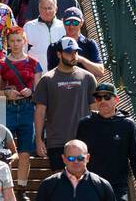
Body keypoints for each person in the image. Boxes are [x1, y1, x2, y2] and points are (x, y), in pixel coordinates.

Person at [33, 38, 97, 171]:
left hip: (83, 141)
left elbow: (94, 110)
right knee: (60, 183)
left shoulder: (88, 78)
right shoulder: (47, 79)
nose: (73, 56)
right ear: (59, 54)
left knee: (82, 182)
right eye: (68, 52)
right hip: (57, 141)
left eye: (75, 52)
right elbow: (40, 112)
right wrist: (39, 140)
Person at [0, 23, 41, 190]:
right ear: (8, 43)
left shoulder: (34, 63)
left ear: (24, 41)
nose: (16, 44)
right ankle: (4, 185)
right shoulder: (2, 64)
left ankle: (21, 188)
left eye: (19, 40)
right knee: (2, 149)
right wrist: (6, 93)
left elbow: (39, 91)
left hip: (27, 108)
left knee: (25, 151)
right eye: (12, 41)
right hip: (7, 108)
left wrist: (31, 92)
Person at [46, 8, 106, 78]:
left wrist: (81, 60)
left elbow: (100, 72)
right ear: (63, 22)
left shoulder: (89, 44)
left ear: (81, 23)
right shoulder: (54, 47)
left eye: (75, 23)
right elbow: (51, 75)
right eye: (67, 23)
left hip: (85, 87)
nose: (71, 26)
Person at [24, 0, 65, 72]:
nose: (47, 11)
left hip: (60, 74)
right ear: (39, 9)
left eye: (50, 8)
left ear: (56, 9)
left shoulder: (63, 27)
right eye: (43, 8)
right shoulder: (28, 27)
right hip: (36, 74)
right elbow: (23, 53)